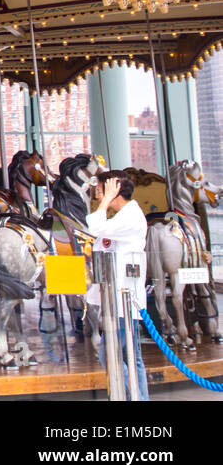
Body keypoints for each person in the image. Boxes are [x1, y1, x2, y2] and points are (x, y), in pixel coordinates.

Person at [86, 168, 149, 400]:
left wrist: (105, 204)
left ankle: (136, 397)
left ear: (115, 192)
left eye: (102, 192)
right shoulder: (123, 218)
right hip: (118, 301)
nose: (98, 197)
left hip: (124, 301)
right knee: (130, 357)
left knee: (114, 356)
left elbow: (96, 229)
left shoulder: (130, 217)